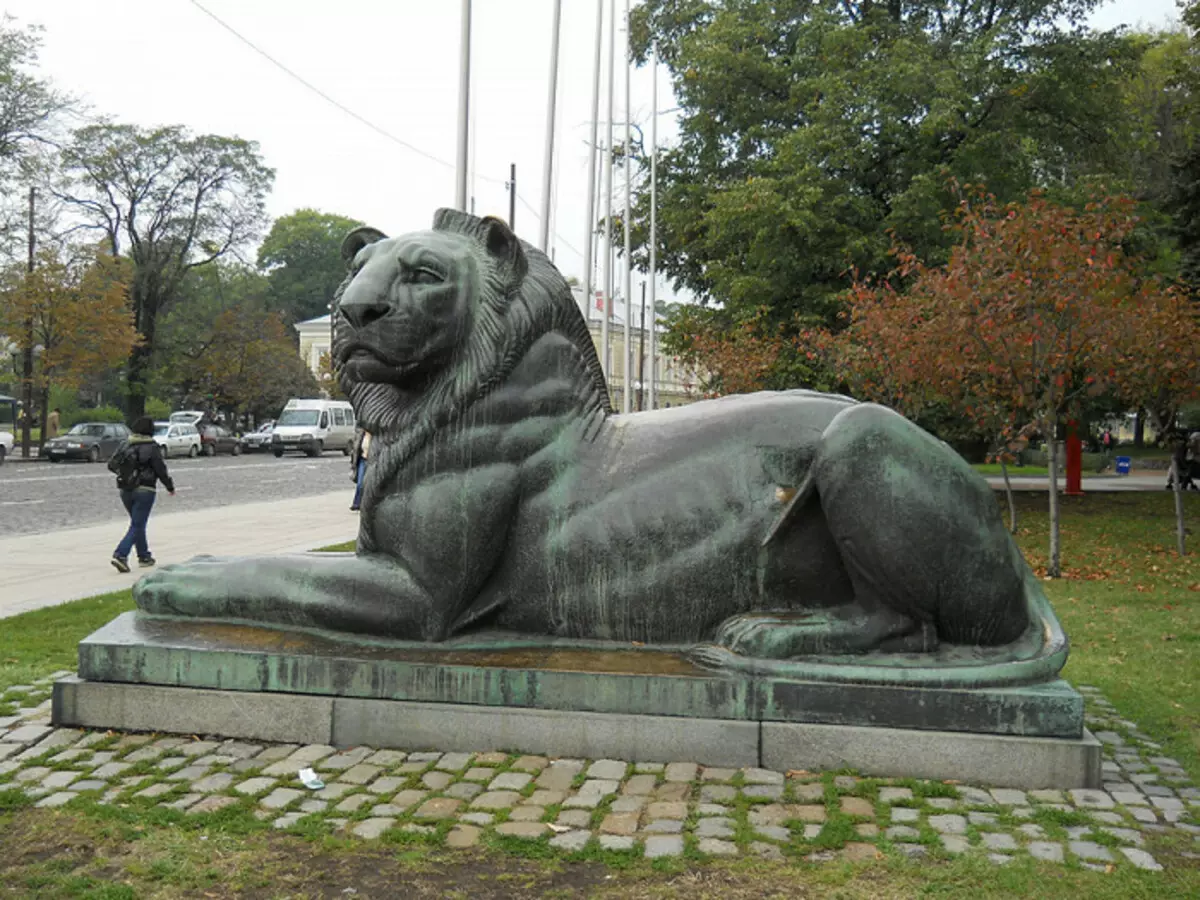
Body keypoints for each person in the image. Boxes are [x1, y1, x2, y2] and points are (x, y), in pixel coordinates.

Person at [111, 416, 175, 572]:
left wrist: (125, 473)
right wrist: (169, 486)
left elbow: (112, 464)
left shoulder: (125, 444)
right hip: (145, 489)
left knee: (137, 523)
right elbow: (160, 469)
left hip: (125, 489)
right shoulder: (152, 447)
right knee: (138, 524)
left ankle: (144, 556)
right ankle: (121, 554)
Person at [349, 428, 372, 511]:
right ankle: (356, 503)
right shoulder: (361, 434)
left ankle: (367, 504)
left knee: (369, 484)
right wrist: (353, 462)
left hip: (372, 461)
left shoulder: (376, 435)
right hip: (362, 460)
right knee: (360, 483)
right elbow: (356, 448)